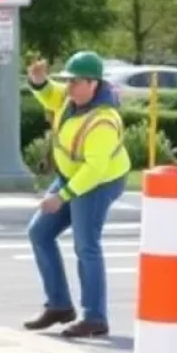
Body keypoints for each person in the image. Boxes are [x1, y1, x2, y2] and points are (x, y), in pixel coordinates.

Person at [22, 50, 129, 338]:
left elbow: (94, 169)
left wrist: (62, 196)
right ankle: (59, 305)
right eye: (67, 81)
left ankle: (95, 318)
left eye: (75, 81)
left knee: (86, 246)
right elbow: (50, 94)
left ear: (93, 84)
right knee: (39, 233)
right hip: (71, 177)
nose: (68, 87)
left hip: (98, 183)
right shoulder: (71, 99)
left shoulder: (104, 120)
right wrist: (39, 82)